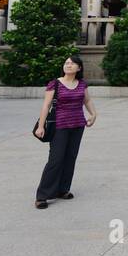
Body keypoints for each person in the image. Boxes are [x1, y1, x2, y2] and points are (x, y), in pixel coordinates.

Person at [34, 55, 97, 209]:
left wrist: (93, 114)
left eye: (72, 63)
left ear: (79, 68)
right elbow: (46, 105)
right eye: (66, 63)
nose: (68, 65)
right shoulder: (55, 84)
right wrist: (40, 126)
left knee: (70, 157)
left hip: (77, 125)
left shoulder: (82, 84)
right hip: (59, 126)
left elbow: (86, 100)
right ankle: (42, 196)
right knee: (56, 159)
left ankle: (63, 189)